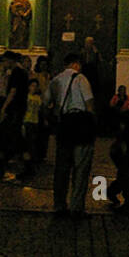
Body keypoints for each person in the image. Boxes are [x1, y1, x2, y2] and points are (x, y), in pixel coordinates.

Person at [44, 53, 95, 219]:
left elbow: (46, 104)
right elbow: (89, 104)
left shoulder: (55, 80)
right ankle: (76, 207)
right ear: (76, 64)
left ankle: (59, 205)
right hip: (80, 125)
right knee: (81, 168)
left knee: (62, 168)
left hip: (64, 125)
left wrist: (52, 120)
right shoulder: (81, 79)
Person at [0, 52, 29, 180]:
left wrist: (4, 108)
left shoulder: (16, 73)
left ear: (10, 60)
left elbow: (12, 91)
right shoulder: (22, 73)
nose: (4, 64)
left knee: (9, 137)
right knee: (16, 138)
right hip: (19, 109)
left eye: (5, 61)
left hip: (14, 110)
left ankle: (3, 167)